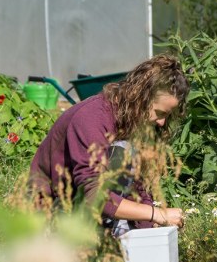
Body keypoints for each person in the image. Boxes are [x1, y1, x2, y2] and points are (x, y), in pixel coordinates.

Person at [29, 55, 187, 231]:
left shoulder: (134, 120)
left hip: (86, 207)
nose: (162, 123)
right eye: (160, 113)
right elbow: (93, 194)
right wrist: (156, 214)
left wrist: (149, 229)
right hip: (52, 210)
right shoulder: (92, 118)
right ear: (142, 97)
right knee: (122, 151)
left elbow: (139, 187)